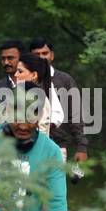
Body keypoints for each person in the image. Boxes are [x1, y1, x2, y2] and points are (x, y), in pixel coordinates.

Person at [28, 38, 88, 167]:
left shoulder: (64, 80)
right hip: (26, 145)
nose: (41, 57)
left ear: (52, 55)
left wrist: (81, 147)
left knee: (54, 186)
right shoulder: (23, 79)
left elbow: (76, 115)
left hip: (57, 145)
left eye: (45, 53)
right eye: (36, 54)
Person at [12, 53, 63, 137]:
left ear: (34, 75)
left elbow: (42, 132)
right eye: (16, 71)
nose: (16, 74)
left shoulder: (40, 99)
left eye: (20, 71)